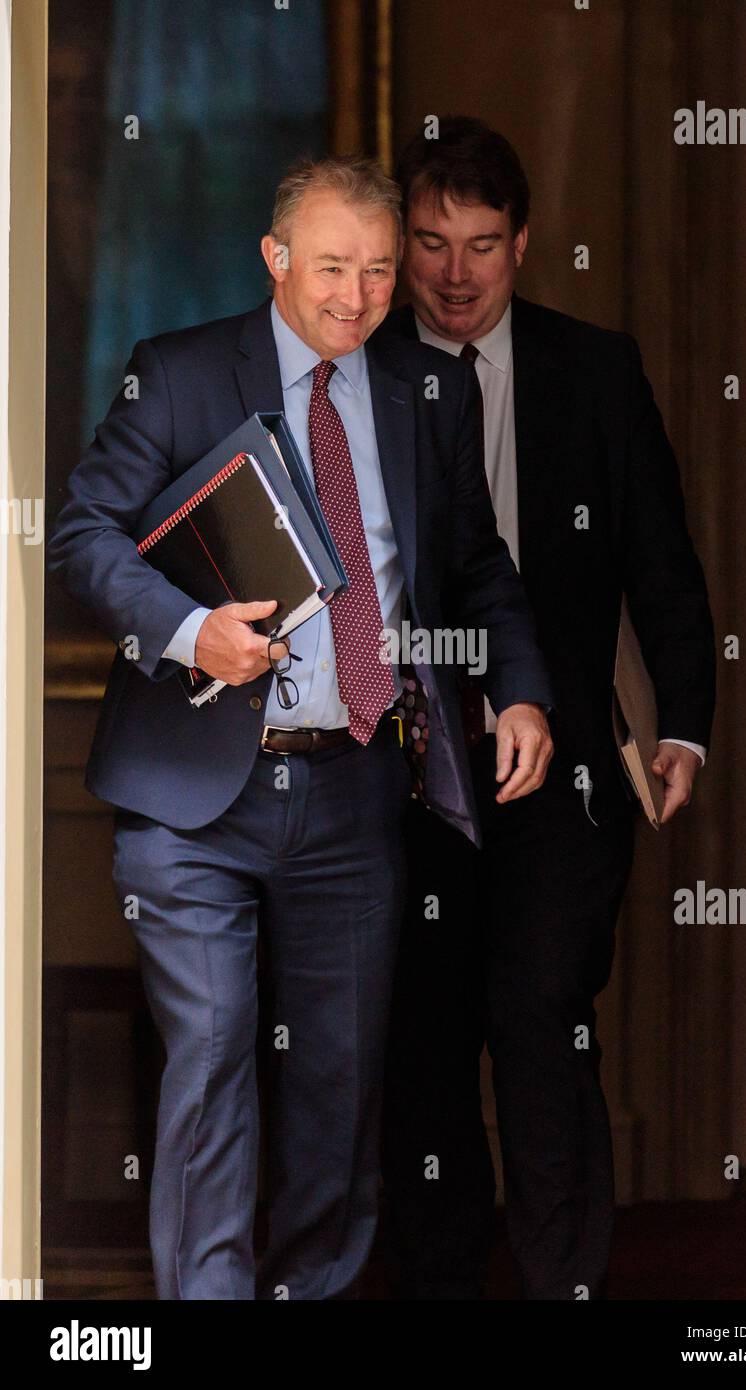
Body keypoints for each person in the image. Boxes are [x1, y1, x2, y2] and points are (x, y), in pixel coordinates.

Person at [48, 154, 554, 1301]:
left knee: (337, 1081)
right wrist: (187, 632)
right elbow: (80, 535)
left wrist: (518, 690)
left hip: (352, 791)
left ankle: (309, 1293)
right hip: (193, 796)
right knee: (217, 1054)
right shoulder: (175, 374)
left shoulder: (428, 389)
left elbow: (475, 563)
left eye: (379, 270)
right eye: (331, 266)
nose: (356, 295)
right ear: (276, 260)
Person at [380, 118, 716, 1300]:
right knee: (422, 1038)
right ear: (399, 243)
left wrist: (679, 724)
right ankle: (437, 1281)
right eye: (429, 244)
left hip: (564, 762)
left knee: (539, 1012)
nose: (455, 275)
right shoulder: (357, 375)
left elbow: (661, 566)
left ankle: (560, 1282)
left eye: (480, 244)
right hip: (401, 768)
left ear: (522, 242)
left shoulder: (593, 370)